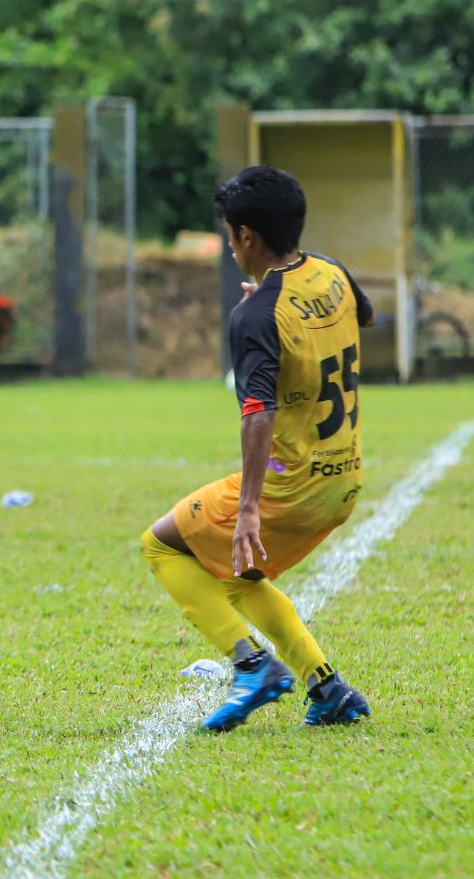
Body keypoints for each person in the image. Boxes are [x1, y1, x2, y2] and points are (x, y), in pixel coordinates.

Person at [140, 166, 372, 731]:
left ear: (246, 235)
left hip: (291, 488)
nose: (228, 244)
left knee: (163, 545)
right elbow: (362, 317)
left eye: (227, 233)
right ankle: (326, 687)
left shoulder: (255, 316)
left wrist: (247, 509)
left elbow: (257, 412)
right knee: (231, 571)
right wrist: (274, 308)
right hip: (344, 479)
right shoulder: (330, 273)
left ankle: (252, 666)